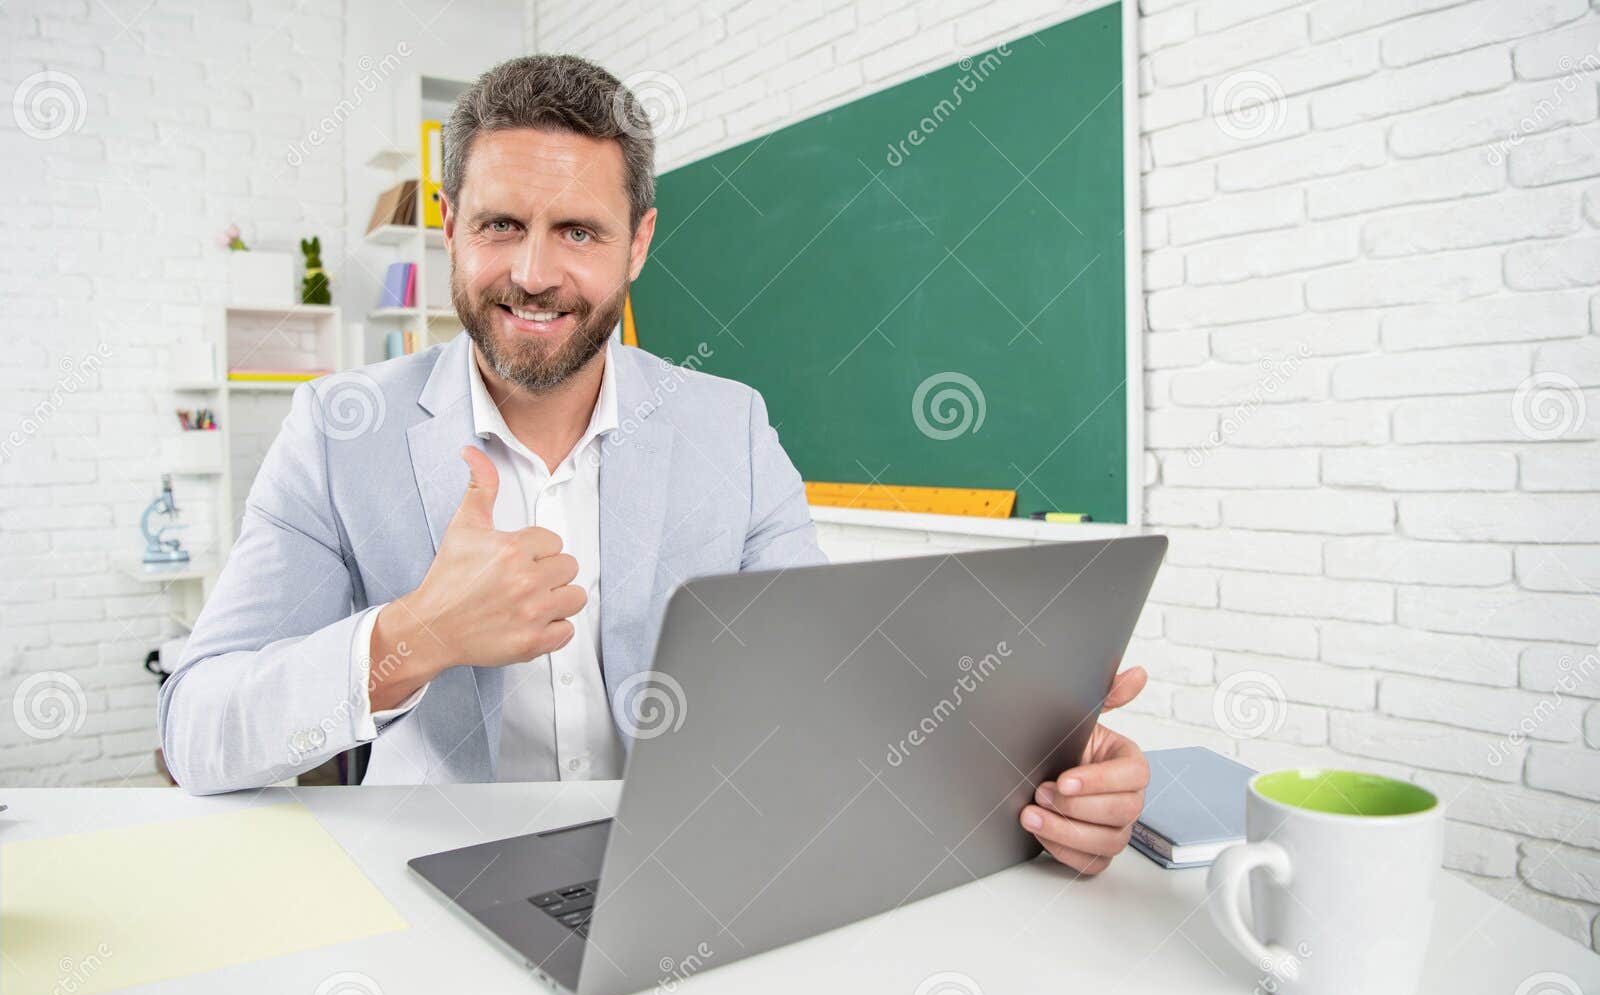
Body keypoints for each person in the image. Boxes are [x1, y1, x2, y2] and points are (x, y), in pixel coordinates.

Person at [158, 54, 1151, 878]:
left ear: (637, 243)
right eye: (501, 224)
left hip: (682, 878)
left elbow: (827, 682)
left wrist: (1034, 771)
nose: (535, 272)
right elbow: (194, 729)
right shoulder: (338, 431)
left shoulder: (731, 426)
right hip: (421, 885)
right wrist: (411, 639)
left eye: (578, 231)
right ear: (450, 226)